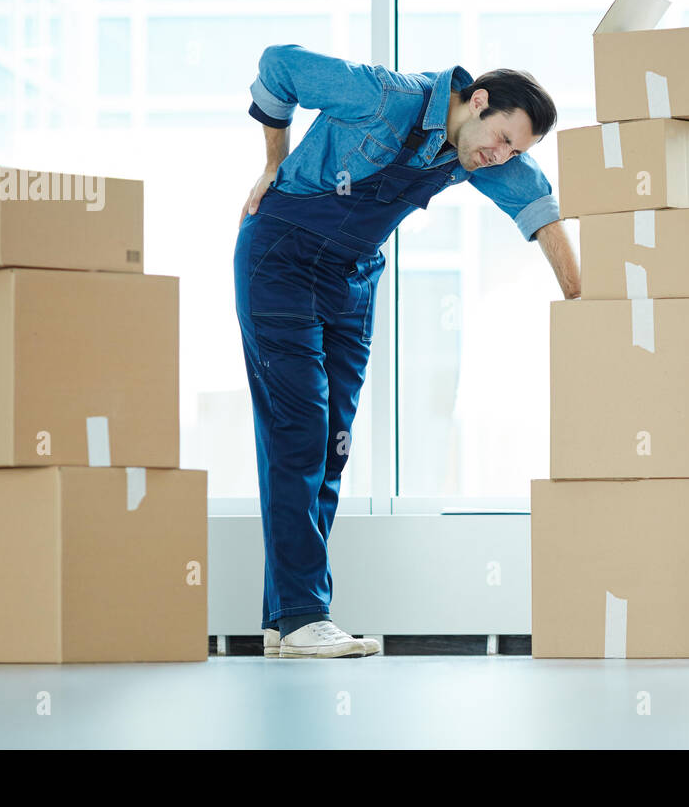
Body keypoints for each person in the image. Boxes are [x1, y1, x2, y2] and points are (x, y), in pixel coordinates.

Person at [234, 44, 581, 658]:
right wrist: (272, 163)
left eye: (514, 150)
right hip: (280, 259)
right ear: (477, 101)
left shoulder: (476, 151)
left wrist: (586, 306)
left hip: (350, 279)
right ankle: (303, 616)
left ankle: (284, 619)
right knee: (299, 432)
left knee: (332, 444)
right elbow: (280, 65)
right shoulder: (384, 95)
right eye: (501, 137)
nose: (499, 155)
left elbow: (541, 212)